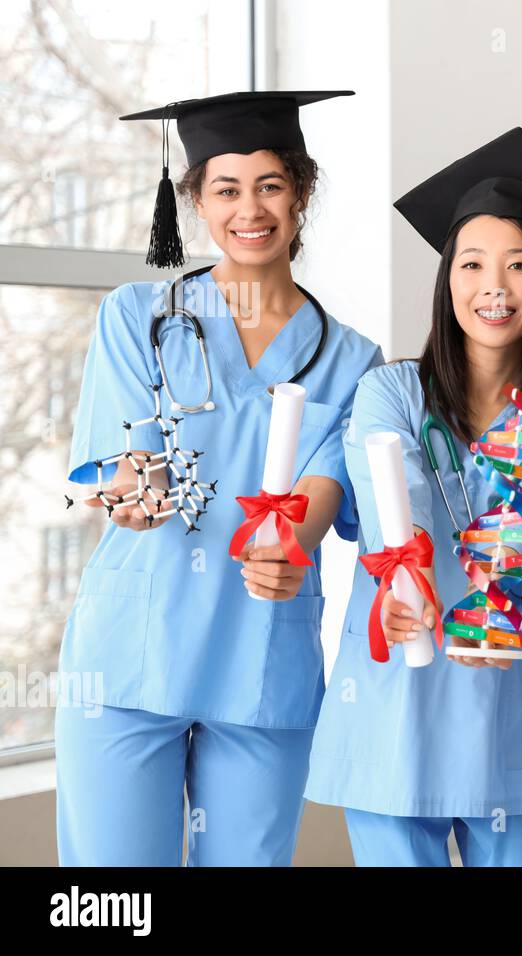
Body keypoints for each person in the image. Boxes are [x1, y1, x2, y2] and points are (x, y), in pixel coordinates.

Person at [56, 90, 384, 866]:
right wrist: (132, 489)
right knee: (115, 902)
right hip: (131, 657)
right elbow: (116, 459)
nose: (251, 209)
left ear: (302, 193)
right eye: (226, 189)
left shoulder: (352, 362)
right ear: (196, 201)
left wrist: (290, 539)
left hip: (260, 665)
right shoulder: (136, 317)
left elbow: (324, 489)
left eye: (271, 185)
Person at [304, 127, 522, 867]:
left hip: (500, 693)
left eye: (518, 267)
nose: (494, 287)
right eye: (473, 263)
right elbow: (397, 486)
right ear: (447, 279)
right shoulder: (388, 391)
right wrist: (408, 571)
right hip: (392, 699)